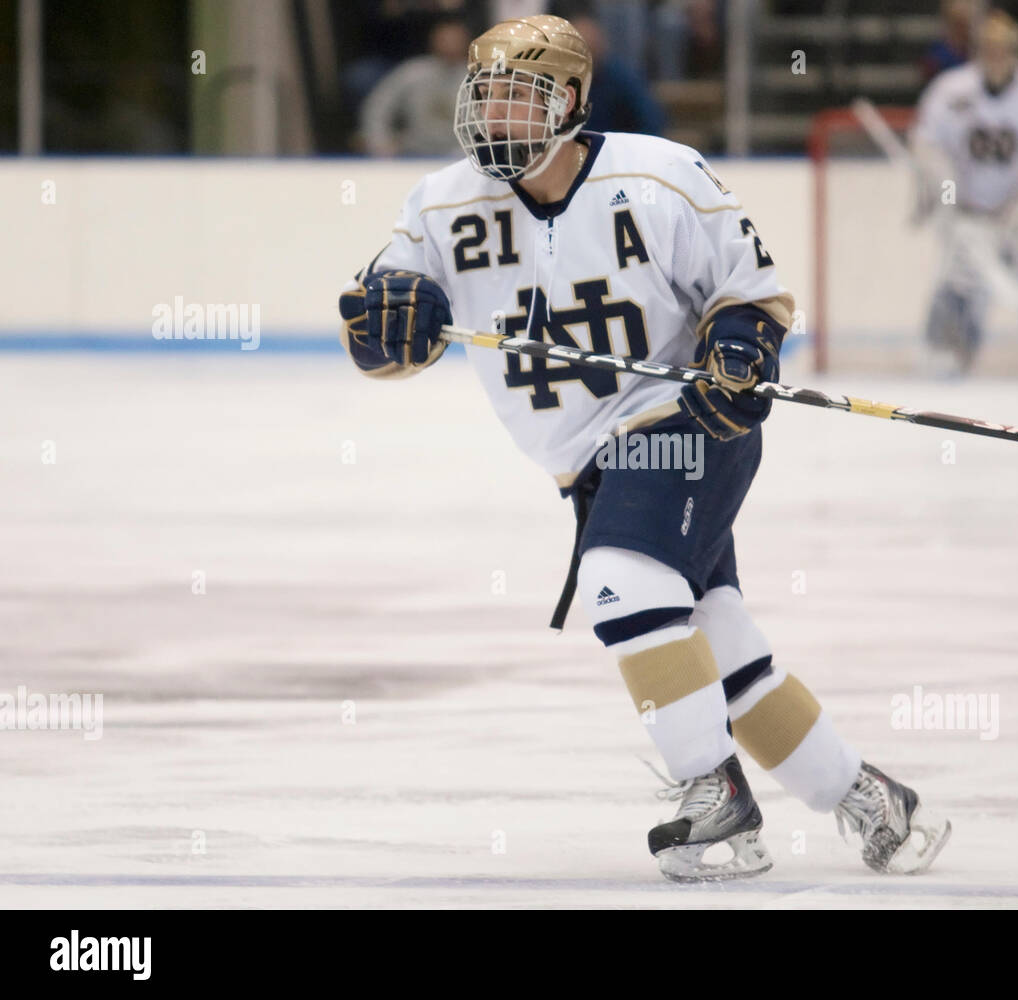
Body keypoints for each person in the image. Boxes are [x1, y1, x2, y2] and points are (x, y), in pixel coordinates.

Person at [337, 13, 950, 881]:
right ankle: (869, 799)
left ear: (575, 100)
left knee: (619, 581)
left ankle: (716, 800)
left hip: (686, 421)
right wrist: (387, 328)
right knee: (718, 644)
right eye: (489, 98)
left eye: (522, 98)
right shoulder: (439, 204)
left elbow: (752, 299)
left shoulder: (661, 175)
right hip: (586, 462)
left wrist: (739, 349)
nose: (497, 118)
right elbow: (380, 324)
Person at [911, 10, 1018, 374]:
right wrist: (946, 191)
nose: (996, 55)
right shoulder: (949, 91)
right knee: (960, 274)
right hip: (971, 212)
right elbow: (926, 146)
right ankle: (947, 348)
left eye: (1004, 48)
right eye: (989, 47)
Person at [360, 15, 473, 157]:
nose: (450, 44)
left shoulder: (477, 77)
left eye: (455, 39)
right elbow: (378, 105)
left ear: (466, 41)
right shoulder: (413, 72)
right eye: (445, 39)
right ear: (434, 40)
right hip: (414, 152)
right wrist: (379, 142)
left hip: (462, 155)